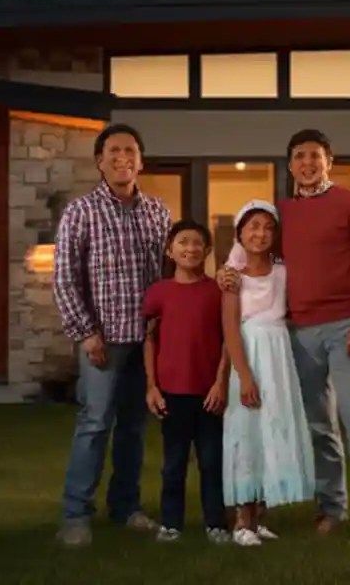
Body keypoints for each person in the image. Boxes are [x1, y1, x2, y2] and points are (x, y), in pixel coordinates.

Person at [219, 128, 350, 547]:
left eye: (315, 156)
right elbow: (252, 251)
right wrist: (225, 271)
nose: (307, 163)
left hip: (346, 326)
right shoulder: (283, 214)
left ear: (329, 162)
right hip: (298, 332)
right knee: (319, 426)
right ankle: (331, 508)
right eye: (299, 156)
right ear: (290, 165)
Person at [53, 123, 171, 548]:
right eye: (114, 151)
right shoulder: (80, 212)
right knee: (94, 424)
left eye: (130, 151)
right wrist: (86, 333)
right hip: (102, 342)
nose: (122, 157)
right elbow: (65, 279)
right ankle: (75, 515)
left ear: (140, 160)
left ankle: (126, 508)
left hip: (146, 343)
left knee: (134, 428)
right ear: (100, 161)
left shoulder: (159, 213)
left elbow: (168, 277)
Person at [220, 199, 315, 547]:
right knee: (247, 432)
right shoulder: (232, 278)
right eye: (253, 227)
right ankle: (241, 520)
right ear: (240, 234)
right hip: (249, 351)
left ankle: (260, 515)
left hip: (278, 354)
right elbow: (230, 329)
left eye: (267, 227)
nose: (260, 234)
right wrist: (244, 375)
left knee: (273, 429)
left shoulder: (283, 271)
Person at [142, 219, 231, 544]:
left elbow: (228, 341)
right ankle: (171, 523)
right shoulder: (158, 293)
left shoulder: (217, 292)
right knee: (173, 464)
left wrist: (220, 383)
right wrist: (152, 386)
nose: (190, 248)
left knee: (212, 461)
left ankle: (216, 523)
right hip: (172, 394)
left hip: (209, 394)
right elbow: (149, 340)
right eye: (183, 242)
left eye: (197, 243)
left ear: (207, 251)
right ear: (170, 250)